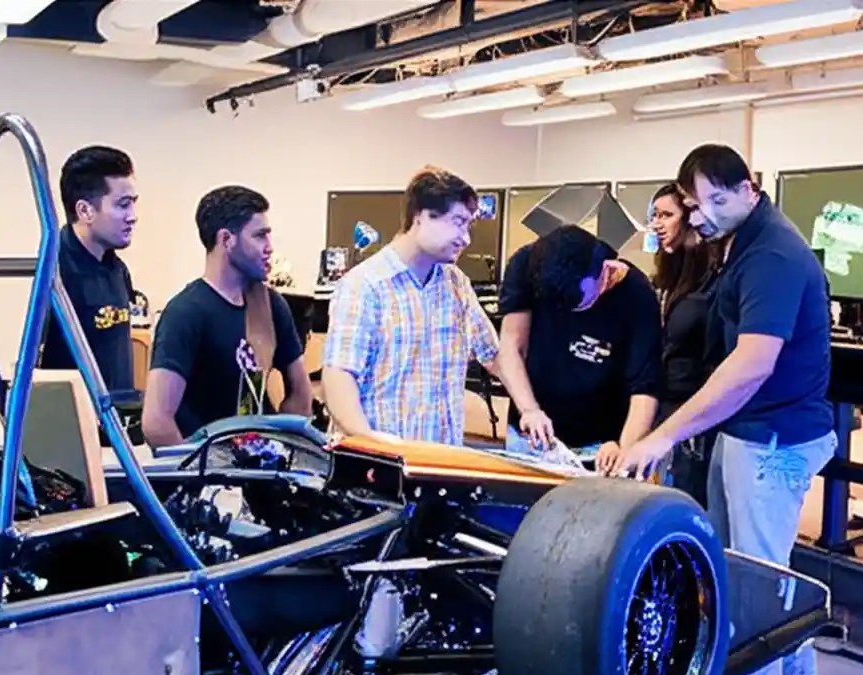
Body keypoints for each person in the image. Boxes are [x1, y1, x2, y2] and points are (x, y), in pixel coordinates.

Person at [611, 145, 836, 675]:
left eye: (715, 199)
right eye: (693, 202)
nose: (700, 213)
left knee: (760, 583)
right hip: (746, 433)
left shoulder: (773, 256)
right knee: (743, 569)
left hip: (775, 439)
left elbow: (752, 364)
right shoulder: (739, 245)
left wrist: (662, 436)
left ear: (749, 190)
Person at [321, 166, 501, 445]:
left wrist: (533, 407)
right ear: (421, 217)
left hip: (439, 464)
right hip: (380, 467)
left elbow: (493, 355)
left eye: (468, 225)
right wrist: (368, 440)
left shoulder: (456, 284)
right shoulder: (364, 286)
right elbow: (339, 377)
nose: (465, 238)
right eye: (458, 222)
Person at [141, 185, 312, 447]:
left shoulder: (270, 304)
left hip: (259, 471)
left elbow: (300, 394)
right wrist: (196, 477)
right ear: (226, 240)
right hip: (210, 473)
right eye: (259, 236)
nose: (269, 248)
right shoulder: (186, 313)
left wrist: (283, 452)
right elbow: (156, 422)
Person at [495, 223, 661, 471]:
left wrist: (625, 449)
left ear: (605, 274)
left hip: (601, 442)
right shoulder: (526, 264)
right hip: (531, 432)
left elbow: (645, 385)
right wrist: (529, 410)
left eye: (579, 302)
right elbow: (511, 347)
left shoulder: (636, 295)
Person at [38, 145, 139, 392]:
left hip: (116, 421)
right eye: (123, 205)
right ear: (85, 210)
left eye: (133, 203)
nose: (133, 216)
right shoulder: (52, 273)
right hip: (70, 424)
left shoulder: (118, 269)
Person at [648, 182, 724, 507]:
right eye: (655, 215)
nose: (657, 223)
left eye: (666, 215)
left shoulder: (712, 282)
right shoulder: (670, 274)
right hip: (665, 409)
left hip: (693, 419)